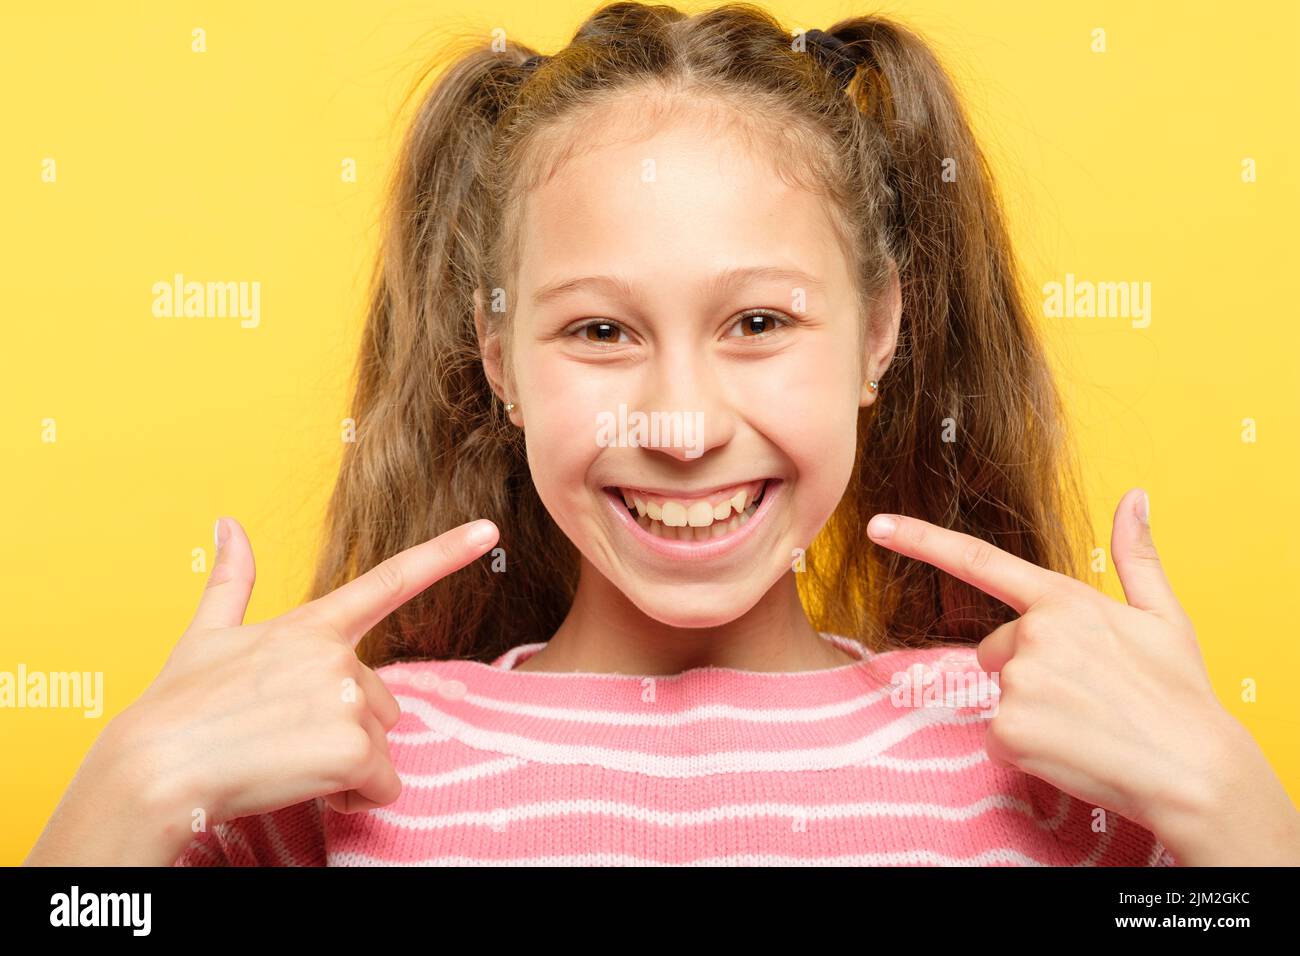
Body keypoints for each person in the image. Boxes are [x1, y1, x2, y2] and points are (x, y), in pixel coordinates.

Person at [26, 1, 1299, 866]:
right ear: (497, 357)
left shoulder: (1053, 756)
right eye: (597, 333)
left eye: (756, 320)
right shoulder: (328, 762)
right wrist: (125, 791)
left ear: (878, 334)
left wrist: (1234, 806)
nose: (681, 424)